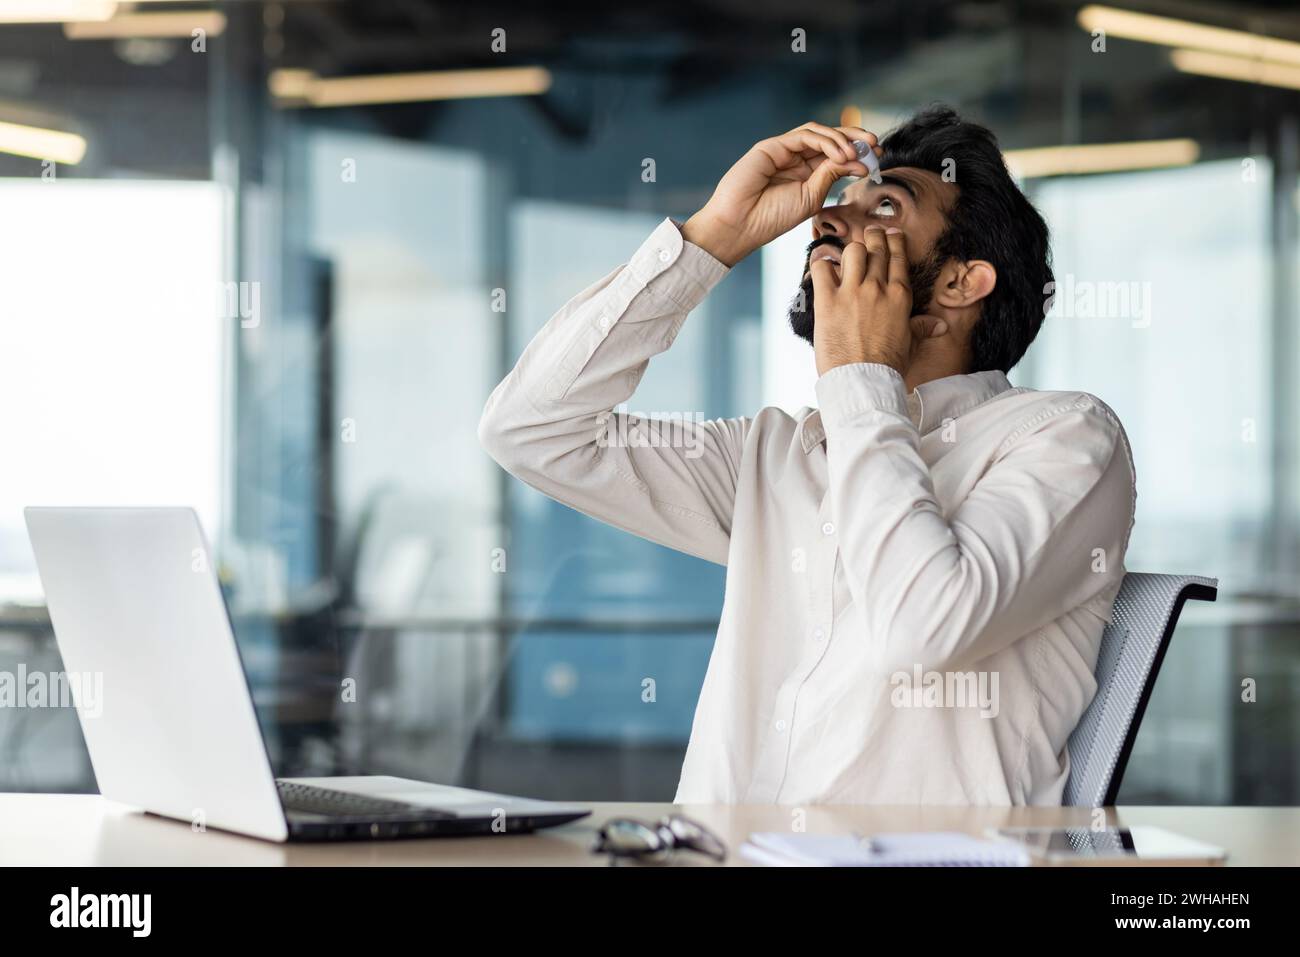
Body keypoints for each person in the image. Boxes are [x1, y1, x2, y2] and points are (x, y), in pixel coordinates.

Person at [478, 106, 1136, 805]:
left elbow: (926, 625)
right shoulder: (775, 454)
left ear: (959, 284)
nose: (827, 220)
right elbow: (529, 427)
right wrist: (713, 239)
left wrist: (860, 377)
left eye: (883, 205)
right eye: (836, 203)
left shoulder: (1066, 436)